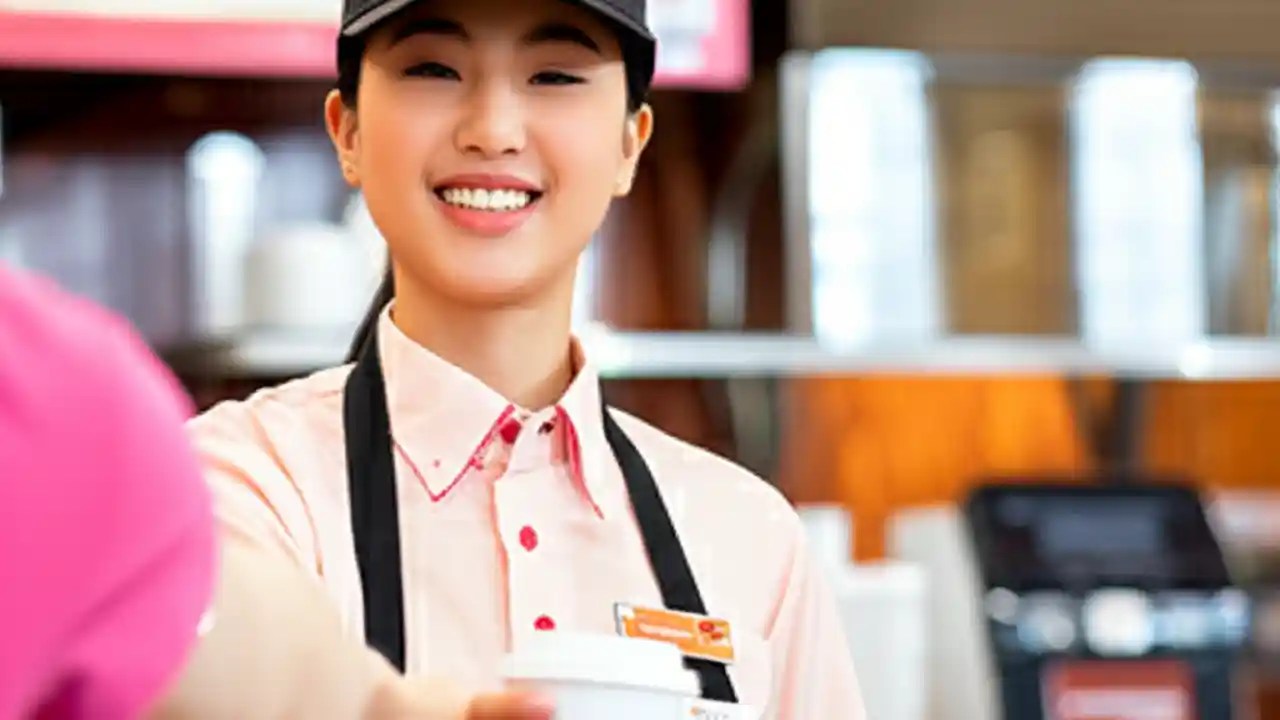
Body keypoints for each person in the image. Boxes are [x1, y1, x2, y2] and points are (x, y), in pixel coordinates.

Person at [188, 0, 867, 717]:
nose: (493, 131)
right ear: (347, 130)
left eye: (554, 76)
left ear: (629, 146)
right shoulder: (236, 495)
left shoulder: (751, 541)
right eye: (432, 68)